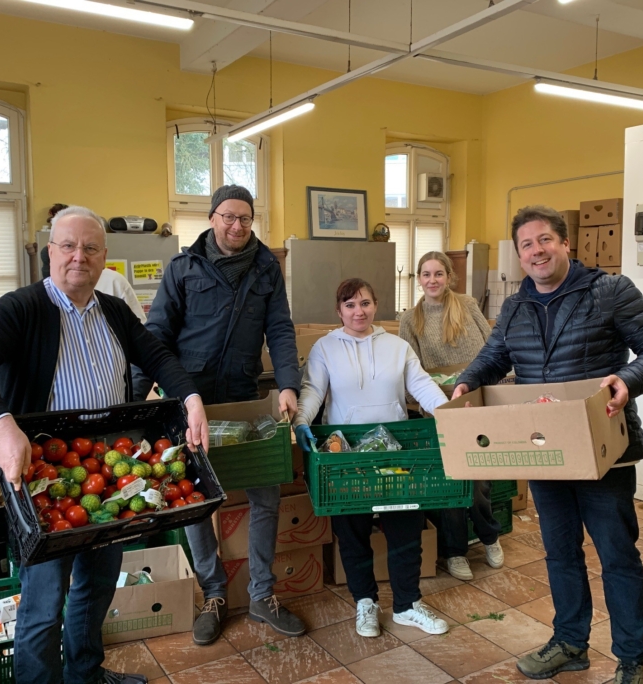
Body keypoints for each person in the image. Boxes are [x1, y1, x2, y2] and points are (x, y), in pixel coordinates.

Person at [0, 205, 211, 684]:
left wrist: (190, 397)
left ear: (104, 257)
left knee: (96, 586)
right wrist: (2, 424)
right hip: (43, 474)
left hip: (108, 470)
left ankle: (86, 674)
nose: (78, 256)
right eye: (68, 246)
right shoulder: (21, 308)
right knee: (44, 603)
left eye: (89, 248)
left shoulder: (113, 310)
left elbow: (156, 354)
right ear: (51, 252)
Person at [452, 205, 643, 684]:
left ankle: (631, 659)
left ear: (565, 243)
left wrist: (628, 380)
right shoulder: (516, 306)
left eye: (544, 240)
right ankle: (571, 642)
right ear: (519, 255)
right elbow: (493, 358)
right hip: (544, 446)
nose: (536, 251)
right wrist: (466, 383)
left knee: (617, 554)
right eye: (526, 245)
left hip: (604, 449)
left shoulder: (609, 291)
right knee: (560, 552)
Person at [133, 184, 305, 646]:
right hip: (192, 400)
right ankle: (213, 594)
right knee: (193, 498)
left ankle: (261, 595)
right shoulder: (183, 267)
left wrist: (289, 383)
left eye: (245, 218)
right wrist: (137, 400)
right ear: (211, 218)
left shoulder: (268, 269)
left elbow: (281, 330)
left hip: (243, 394)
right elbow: (157, 334)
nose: (237, 226)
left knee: (265, 492)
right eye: (228, 216)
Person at [294, 278, 450, 639]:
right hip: (345, 456)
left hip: (395, 450)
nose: (358, 311)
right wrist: (302, 420)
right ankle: (365, 602)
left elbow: (421, 384)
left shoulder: (397, 346)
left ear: (375, 305)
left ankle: (408, 605)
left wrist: (447, 410)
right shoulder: (325, 347)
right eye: (349, 305)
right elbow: (313, 390)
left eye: (364, 303)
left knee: (406, 528)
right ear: (339, 311)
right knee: (352, 532)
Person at [399, 251, 504, 581]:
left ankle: (489, 537)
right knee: (449, 481)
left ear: (449, 277)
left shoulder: (468, 305)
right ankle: (455, 551)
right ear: (418, 279)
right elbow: (410, 369)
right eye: (426, 274)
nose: (432, 280)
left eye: (439, 274)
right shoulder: (410, 319)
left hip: (476, 401)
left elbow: (490, 349)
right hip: (437, 407)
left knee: (479, 481)